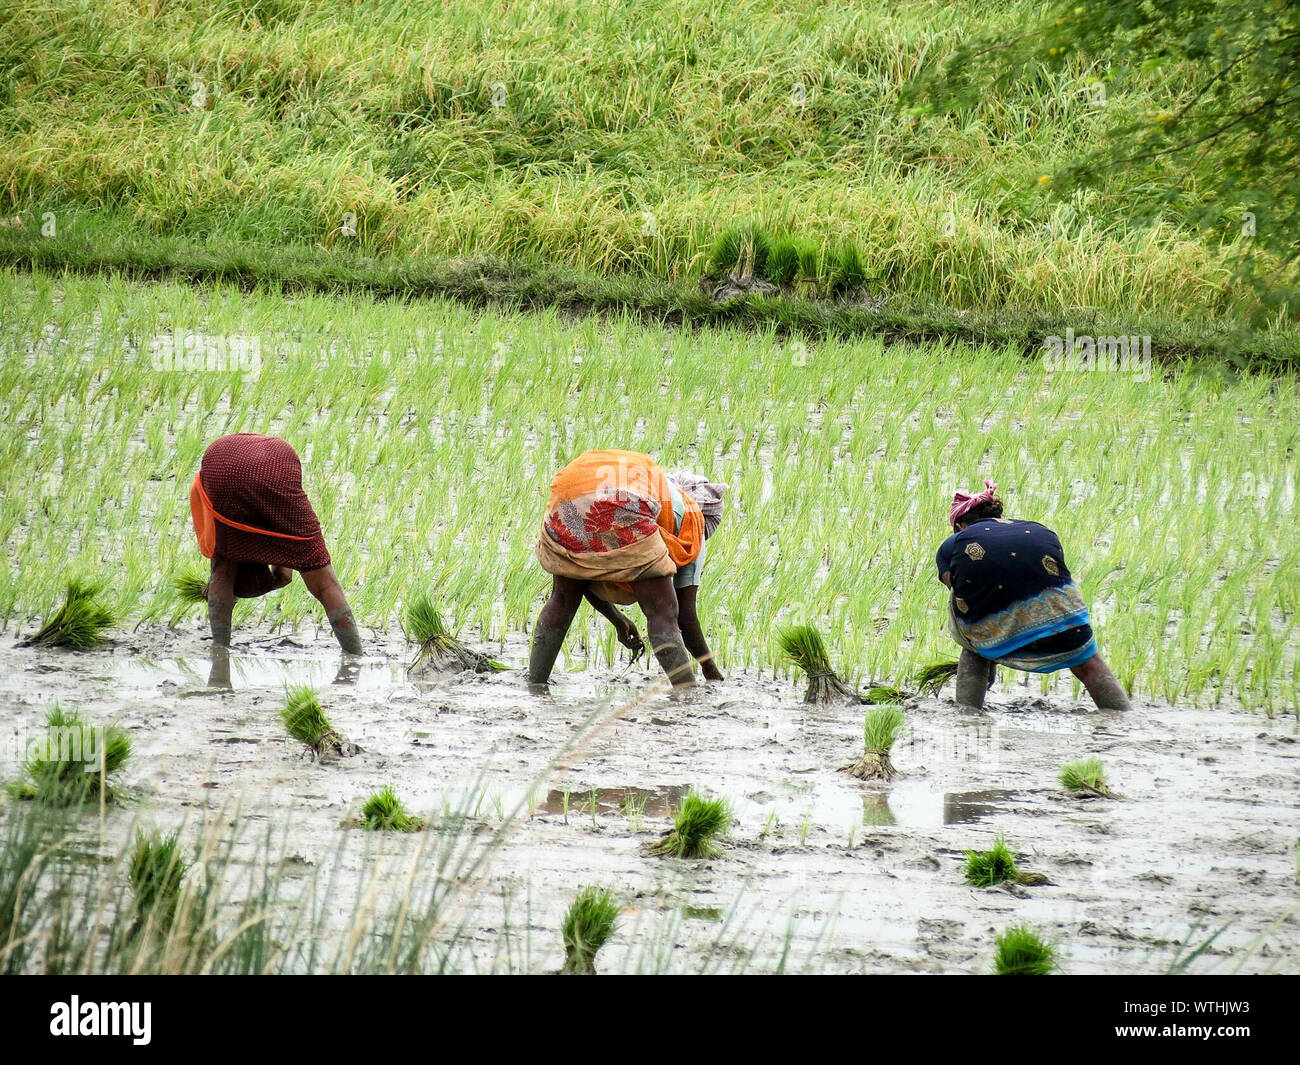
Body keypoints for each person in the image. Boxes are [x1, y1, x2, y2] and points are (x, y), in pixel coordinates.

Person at [528, 449, 727, 687]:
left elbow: (587, 571)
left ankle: (535, 685)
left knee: (562, 600)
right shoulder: (693, 522)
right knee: (662, 611)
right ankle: (685, 696)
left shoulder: (653, 486)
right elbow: (685, 617)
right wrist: (710, 670)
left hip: (570, 489)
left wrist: (617, 619)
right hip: (624, 501)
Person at [935, 479, 1131, 711]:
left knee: (973, 639)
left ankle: (968, 714)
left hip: (987, 604)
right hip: (1056, 603)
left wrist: (986, 642)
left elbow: (959, 592)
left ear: (960, 527)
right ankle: (1121, 718)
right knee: (1087, 660)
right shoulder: (1038, 529)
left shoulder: (954, 543)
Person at [190, 434, 362, 654]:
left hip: (220, 465)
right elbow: (285, 552)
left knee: (222, 568)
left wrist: (279, 572)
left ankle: (220, 651)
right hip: (272, 467)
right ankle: (355, 656)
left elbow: (277, 555)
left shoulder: (239, 556)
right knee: (325, 582)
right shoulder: (279, 561)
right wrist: (281, 572)